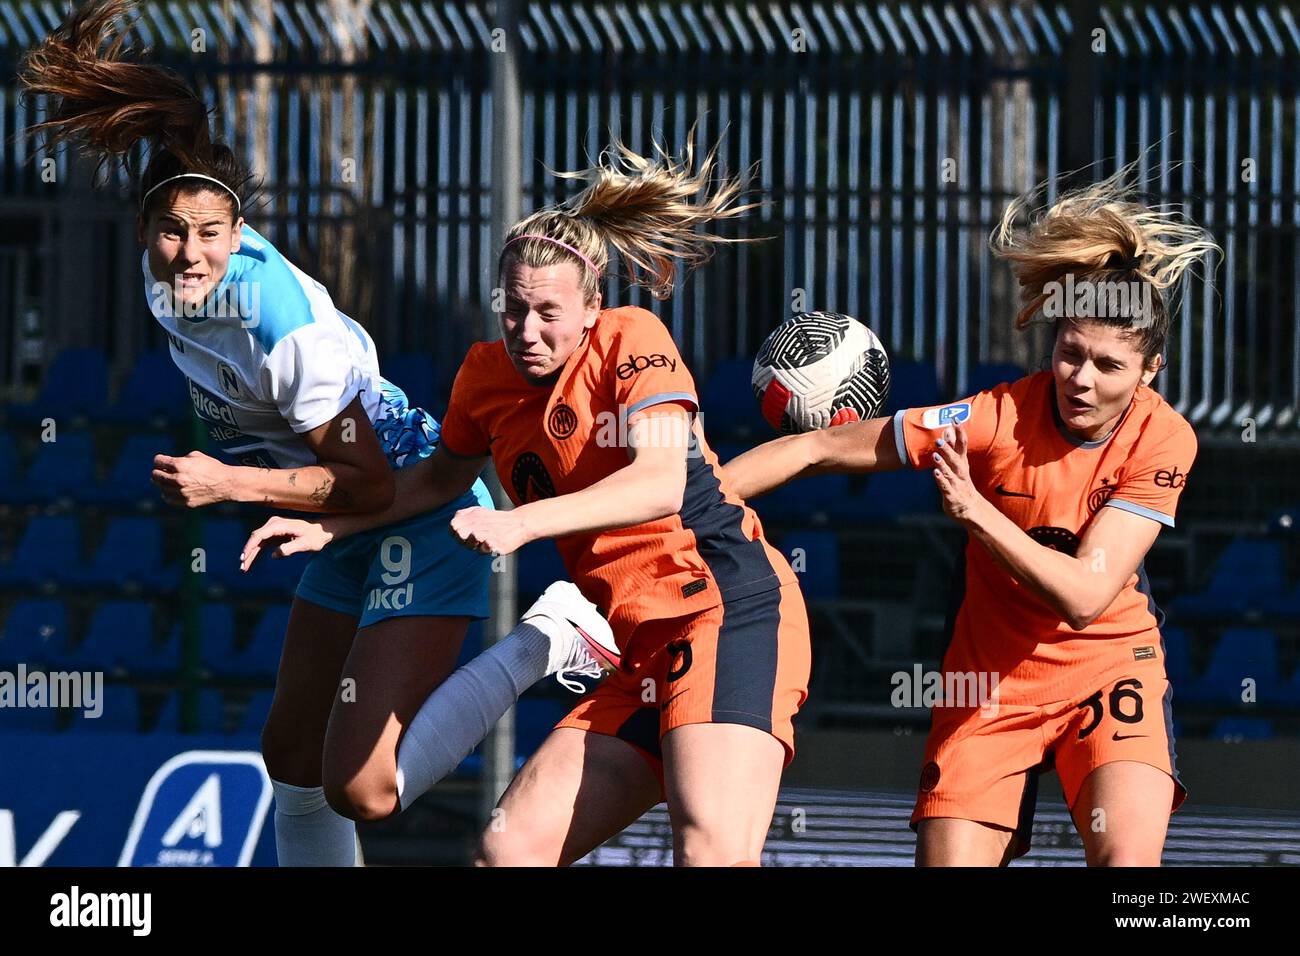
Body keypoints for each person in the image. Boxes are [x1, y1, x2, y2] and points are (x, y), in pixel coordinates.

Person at [20, 0, 616, 867]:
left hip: (414, 502)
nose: (191, 254)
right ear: (144, 229)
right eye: (172, 232)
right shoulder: (169, 280)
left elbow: (370, 482)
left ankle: (548, 637)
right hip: (336, 505)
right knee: (291, 759)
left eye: (211, 236)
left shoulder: (282, 325)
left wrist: (234, 484)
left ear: (238, 234)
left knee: (363, 787)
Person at [243, 135, 812, 866]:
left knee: (708, 851)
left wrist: (519, 523)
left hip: (728, 615)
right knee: (508, 853)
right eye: (513, 310)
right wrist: (335, 527)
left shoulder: (630, 338)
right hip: (639, 649)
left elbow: (660, 480)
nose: (528, 331)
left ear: (591, 308)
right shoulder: (484, 379)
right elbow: (438, 480)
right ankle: (562, 633)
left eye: (548, 311)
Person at [722, 166, 1218, 866]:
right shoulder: (992, 417)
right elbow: (819, 447)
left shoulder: (1164, 438)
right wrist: (695, 501)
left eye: (1108, 365)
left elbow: (1084, 596)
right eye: (1069, 353)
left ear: (1150, 371)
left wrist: (978, 514)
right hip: (990, 684)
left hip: (1109, 670)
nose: (1081, 378)